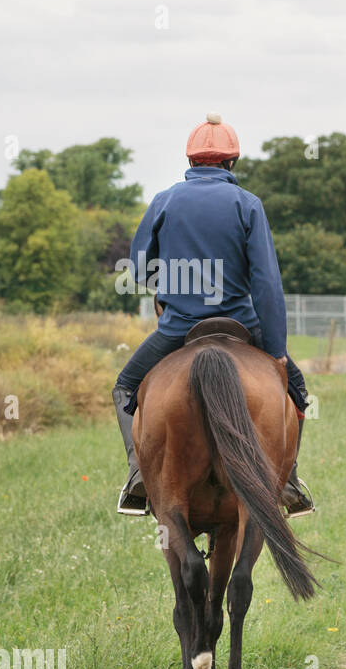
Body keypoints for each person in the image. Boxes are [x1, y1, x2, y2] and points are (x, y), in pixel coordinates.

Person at [114, 113, 314, 516]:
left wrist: (173, 285)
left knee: (124, 387)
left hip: (177, 330)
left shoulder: (165, 200)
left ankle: (138, 476)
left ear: (191, 162)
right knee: (297, 391)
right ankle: (288, 481)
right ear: (231, 163)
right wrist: (274, 349)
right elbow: (267, 283)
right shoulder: (248, 204)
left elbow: (138, 269)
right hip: (244, 328)